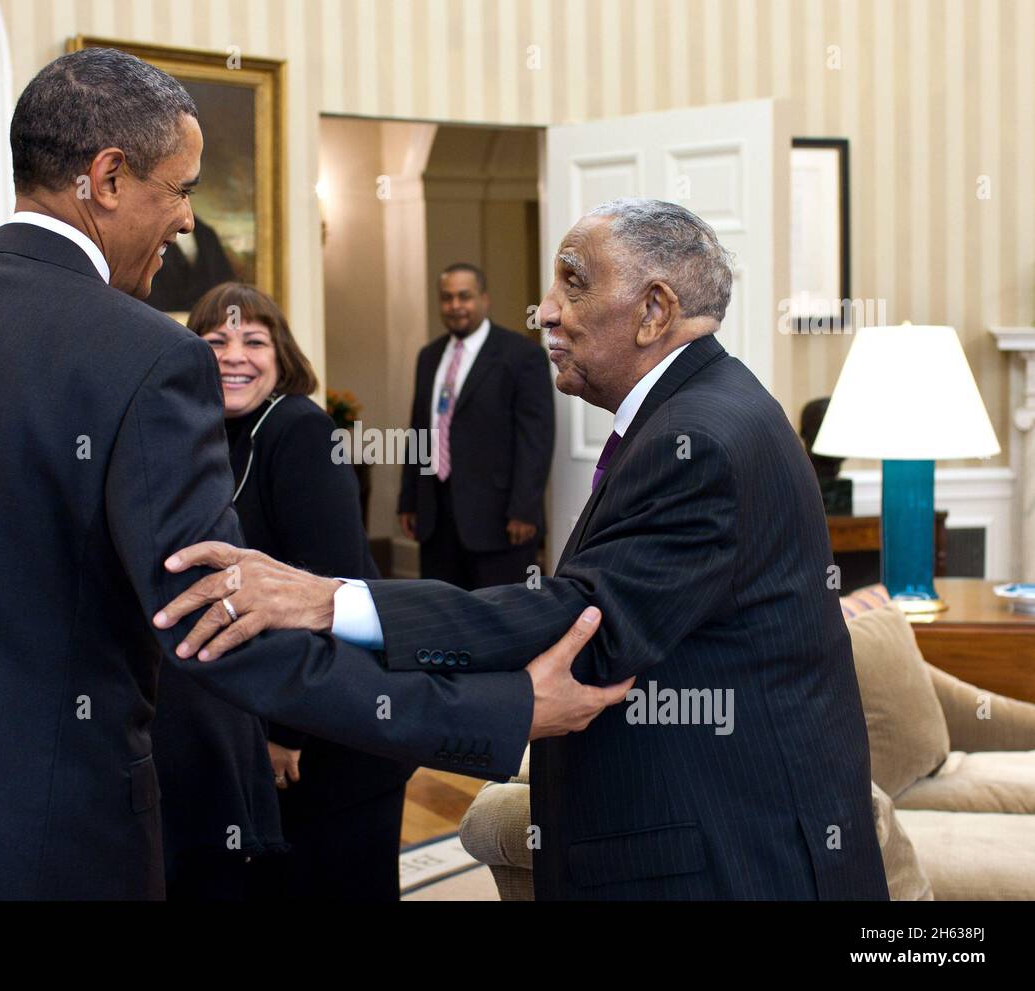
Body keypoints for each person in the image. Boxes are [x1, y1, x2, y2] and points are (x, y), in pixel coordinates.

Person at [0, 47, 623, 900]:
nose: (185, 220)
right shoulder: (145, 355)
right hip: (46, 853)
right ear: (107, 178)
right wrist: (502, 707)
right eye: (179, 188)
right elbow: (219, 629)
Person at [156, 198, 891, 901]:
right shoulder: (699, 409)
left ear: (655, 310)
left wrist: (328, 597)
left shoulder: (698, 439)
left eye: (573, 280)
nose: (543, 310)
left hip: (727, 853)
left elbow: (584, 628)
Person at [185, 281, 414, 901]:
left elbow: (337, 587)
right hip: (279, 706)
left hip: (333, 727)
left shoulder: (300, 431)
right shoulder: (216, 435)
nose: (234, 355)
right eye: (215, 341)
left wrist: (290, 732)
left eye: (253, 341)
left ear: (282, 357)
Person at [398, 264, 553, 589]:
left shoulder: (522, 355)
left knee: (498, 618)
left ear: (484, 299)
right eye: (447, 298)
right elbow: (419, 430)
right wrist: (409, 500)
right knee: (442, 612)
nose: (455, 306)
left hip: (499, 520)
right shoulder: (429, 356)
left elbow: (535, 439)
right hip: (435, 517)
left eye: (464, 297)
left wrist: (525, 509)